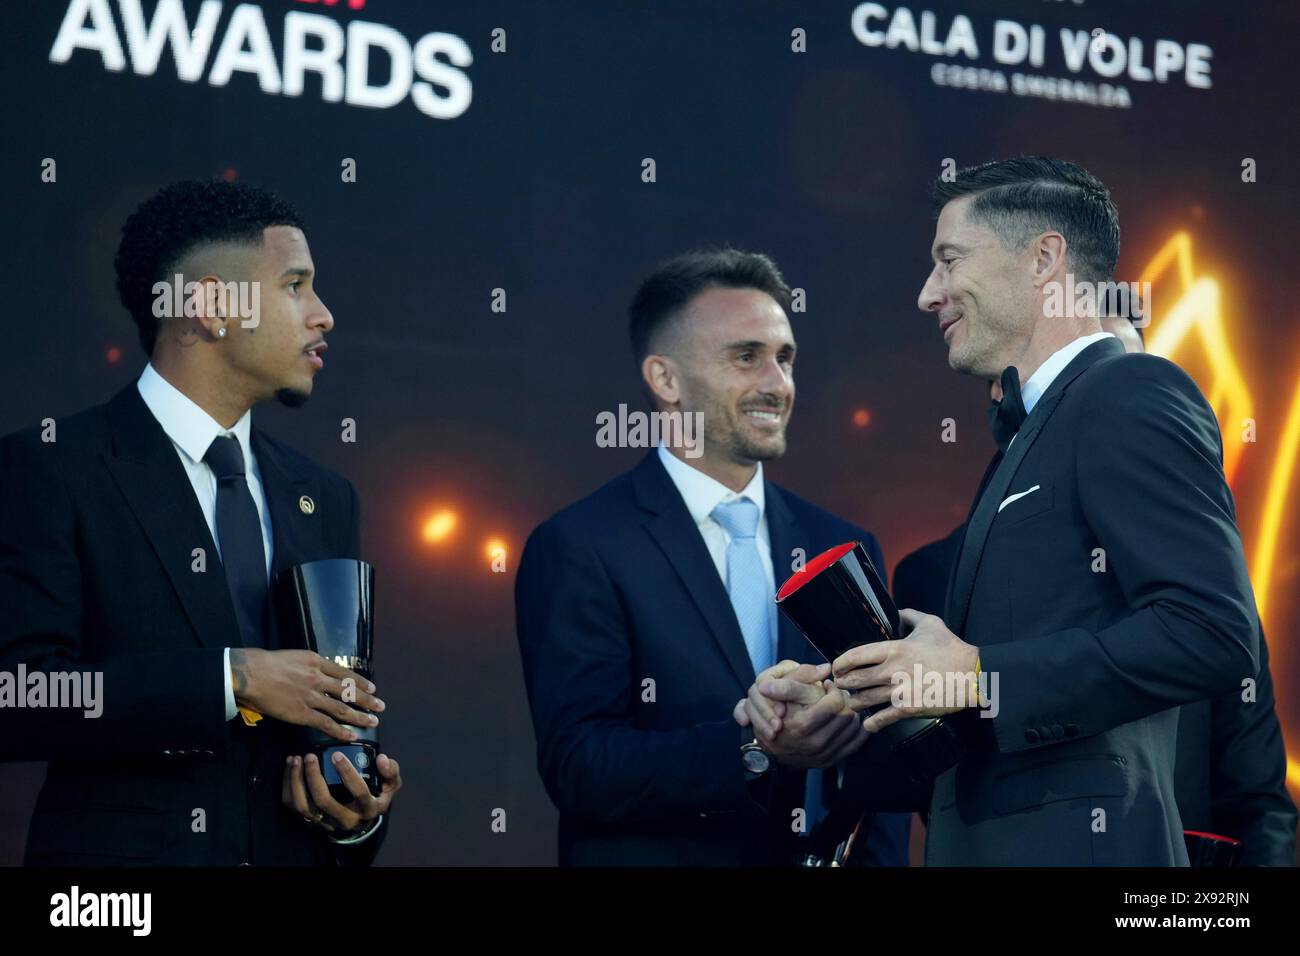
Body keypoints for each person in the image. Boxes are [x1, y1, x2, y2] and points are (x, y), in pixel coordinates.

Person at [748, 157, 1260, 865]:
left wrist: (979, 673)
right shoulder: (1031, 438)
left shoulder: (1130, 390)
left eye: (949, 259)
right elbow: (972, 735)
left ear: (1044, 258)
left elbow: (1213, 633)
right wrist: (836, 724)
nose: (929, 294)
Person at [0, 179, 401, 865]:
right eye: (295, 285)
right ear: (213, 306)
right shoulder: (53, 467)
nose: (324, 314)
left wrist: (353, 814)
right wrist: (231, 679)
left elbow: (337, 719)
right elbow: (19, 694)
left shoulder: (324, 496)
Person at [515, 248, 910, 865]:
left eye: (785, 359)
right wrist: (751, 745)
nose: (777, 384)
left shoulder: (846, 545)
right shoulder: (580, 545)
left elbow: (880, 764)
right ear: (665, 379)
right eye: (745, 357)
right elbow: (579, 766)